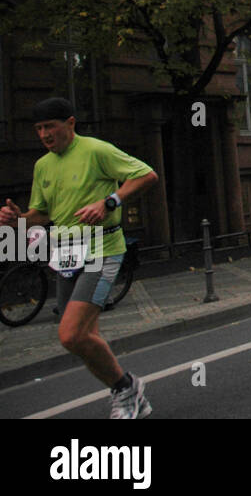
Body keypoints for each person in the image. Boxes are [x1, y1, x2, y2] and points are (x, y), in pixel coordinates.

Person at [0, 97, 158, 418]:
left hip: (102, 251)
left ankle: (126, 387)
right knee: (86, 336)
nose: (44, 134)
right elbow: (42, 214)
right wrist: (17, 219)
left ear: (70, 124)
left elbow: (146, 175)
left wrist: (109, 202)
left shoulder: (96, 150)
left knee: (70, 334)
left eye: (50, 127)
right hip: (66, 254)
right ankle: (132, 400)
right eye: (38, 129)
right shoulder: (43, 165)